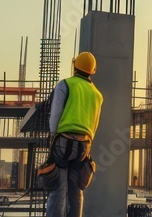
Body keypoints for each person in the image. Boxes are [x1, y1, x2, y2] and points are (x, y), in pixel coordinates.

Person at [47, 51, 103, 217]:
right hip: (84, 145)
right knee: (76, 189)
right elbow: (95, 123)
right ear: (92, 71)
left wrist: (53, 135)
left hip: (63, 142)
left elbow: (55, 114)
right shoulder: (97, 94)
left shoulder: (65, 84)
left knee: (58, 188)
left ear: (75, 66)